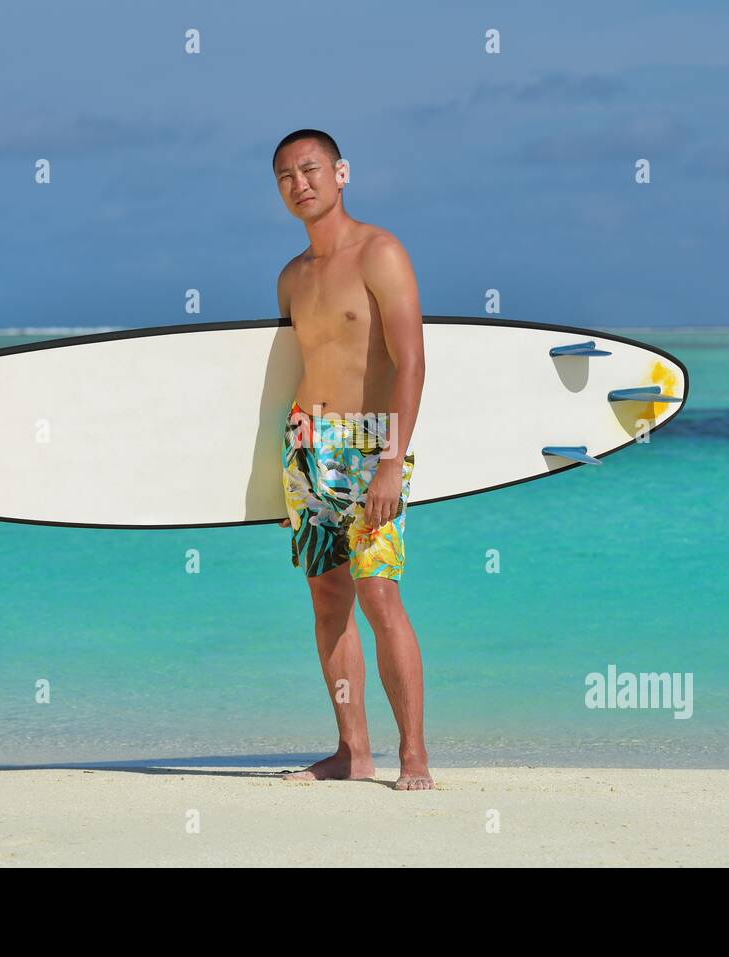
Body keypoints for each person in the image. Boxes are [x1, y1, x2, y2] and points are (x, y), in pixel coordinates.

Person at [272, 129, 433, 790]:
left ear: (341, 173)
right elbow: (290, 370)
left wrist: (391, 461)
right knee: (327, 599)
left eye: (310, 170)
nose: (299, 183)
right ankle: (351, 749)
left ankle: (413, 754)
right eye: (285, 176)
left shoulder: (381, 252)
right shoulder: (292, 277)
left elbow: (411, 360)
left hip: (371, 442)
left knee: (379, 593)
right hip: (308, 449)